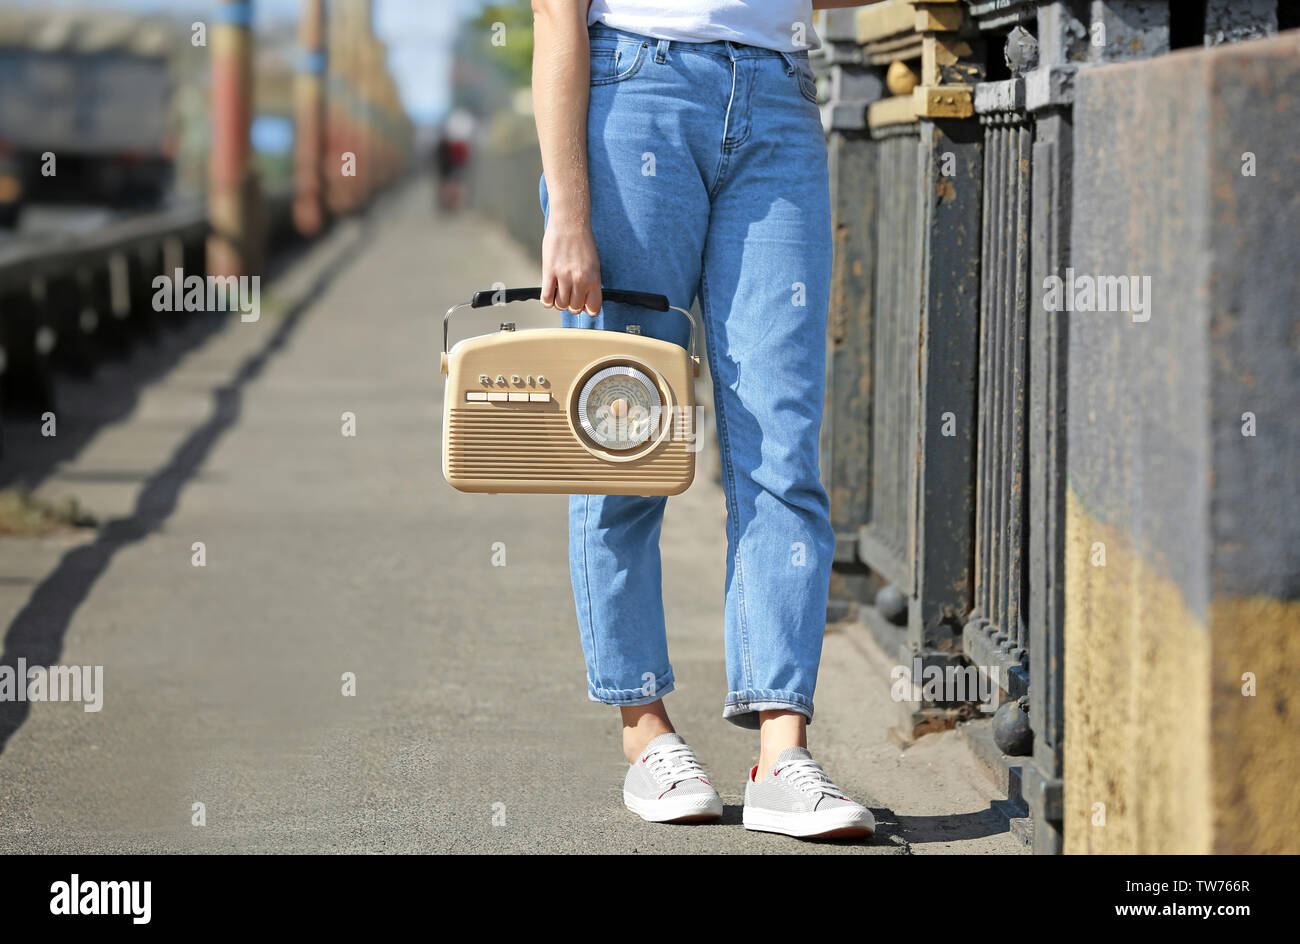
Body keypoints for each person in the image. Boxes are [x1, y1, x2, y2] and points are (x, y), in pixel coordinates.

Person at [532, 0, 878, 840]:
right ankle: (644, 730)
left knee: (781, 441)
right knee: (624, 441)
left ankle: (781, 753)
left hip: (780, 96)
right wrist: (569, 212)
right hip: (634, 90)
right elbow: (554, 13)